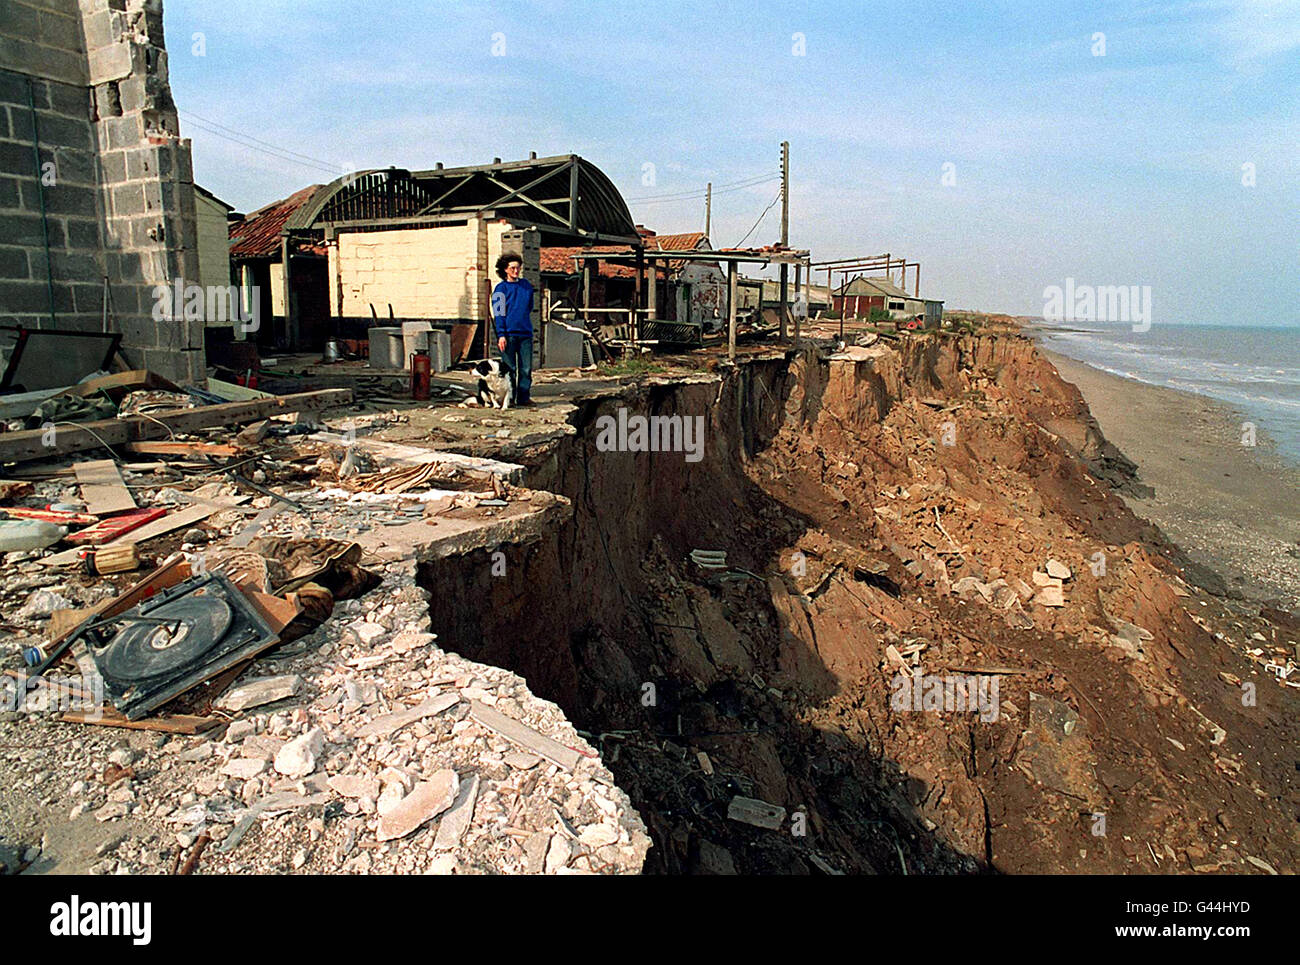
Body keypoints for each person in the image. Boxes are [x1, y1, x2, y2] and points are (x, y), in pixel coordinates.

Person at [491, 252, 535, 406]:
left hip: (525, 334)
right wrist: (501, 334)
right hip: (508, 335)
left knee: (526, 369)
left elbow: (529, 307)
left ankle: (524, 398)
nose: (516, 271)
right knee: (510, 369)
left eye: (518, 268)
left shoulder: (526, 286)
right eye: (512, 268)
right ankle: (510, 399)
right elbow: (498, 313)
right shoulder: (500, 289)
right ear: (505, 269)